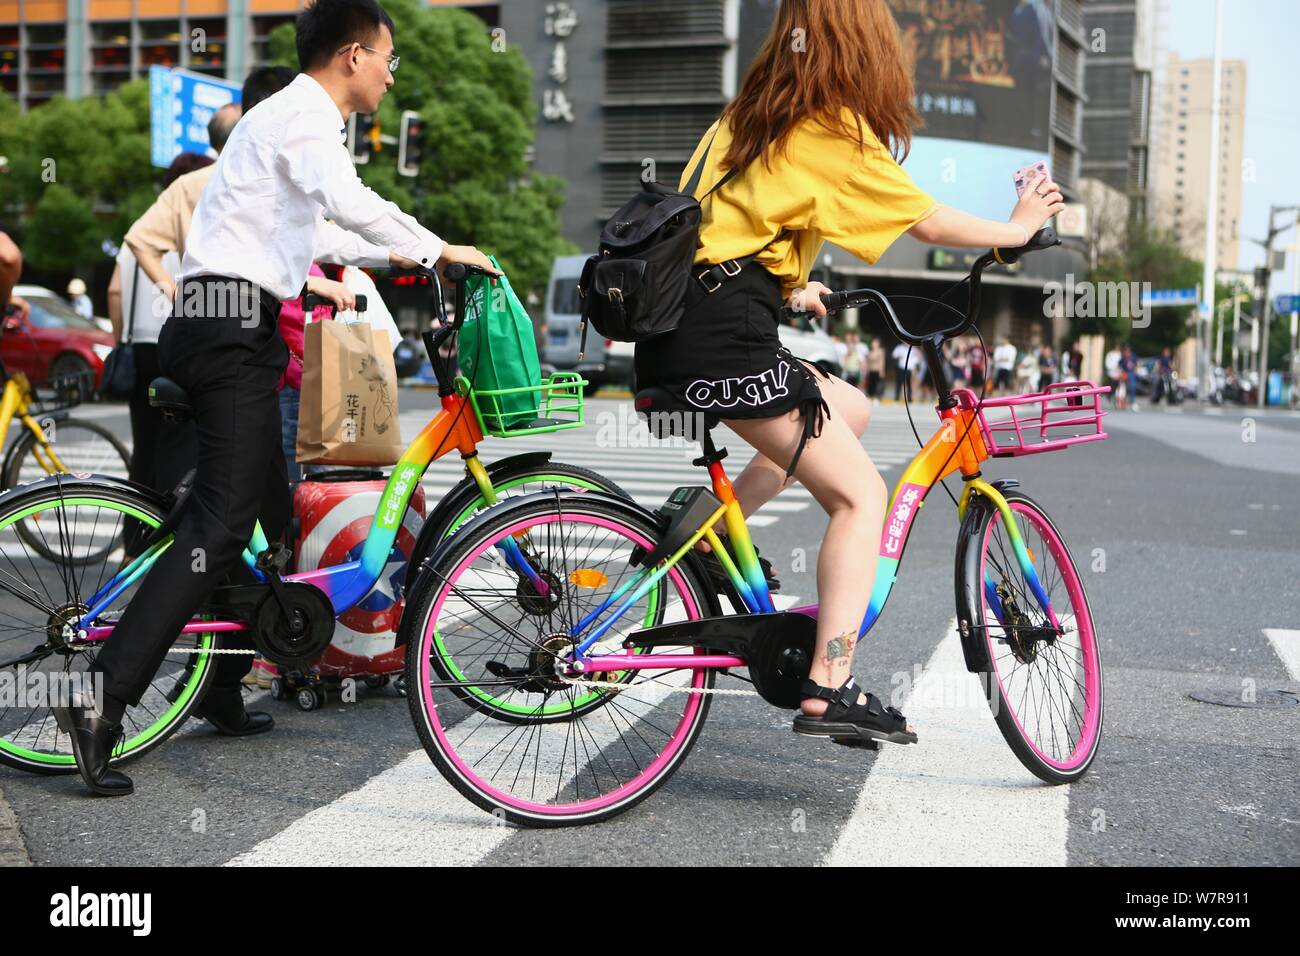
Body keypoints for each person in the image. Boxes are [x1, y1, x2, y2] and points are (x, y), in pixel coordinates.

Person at [54, 0, 499, 797]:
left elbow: (327, 232)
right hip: (226, 331)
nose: (391, 77)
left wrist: (401, 260)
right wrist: (442, 246)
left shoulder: (289, 122)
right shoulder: (303, 115)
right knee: (221, 521)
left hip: (234, 328)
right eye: (388, 61)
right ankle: (101, 694)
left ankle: (219, 686)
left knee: (265, 511)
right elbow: (350, 200)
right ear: (354, 55)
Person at [633, 0, 1062, 746]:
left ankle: (702, 531)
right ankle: (830, 684)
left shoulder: (749, 114)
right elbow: (926, 221)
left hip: (689, 324)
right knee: (863, 496)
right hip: (725, 335)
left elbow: (718, 224)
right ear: (866, 47)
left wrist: (786, 281)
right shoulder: (828, 125)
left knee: (848, 409)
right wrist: (1019, 227)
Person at [108, 152, 213, 558]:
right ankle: (168, 537)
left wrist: (122, 338)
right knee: (177, 446)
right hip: (174, 345)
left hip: (138, 349)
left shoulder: (142, 229)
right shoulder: (191, 224)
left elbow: (116, 291)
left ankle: (134, 541)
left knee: (144, 448)